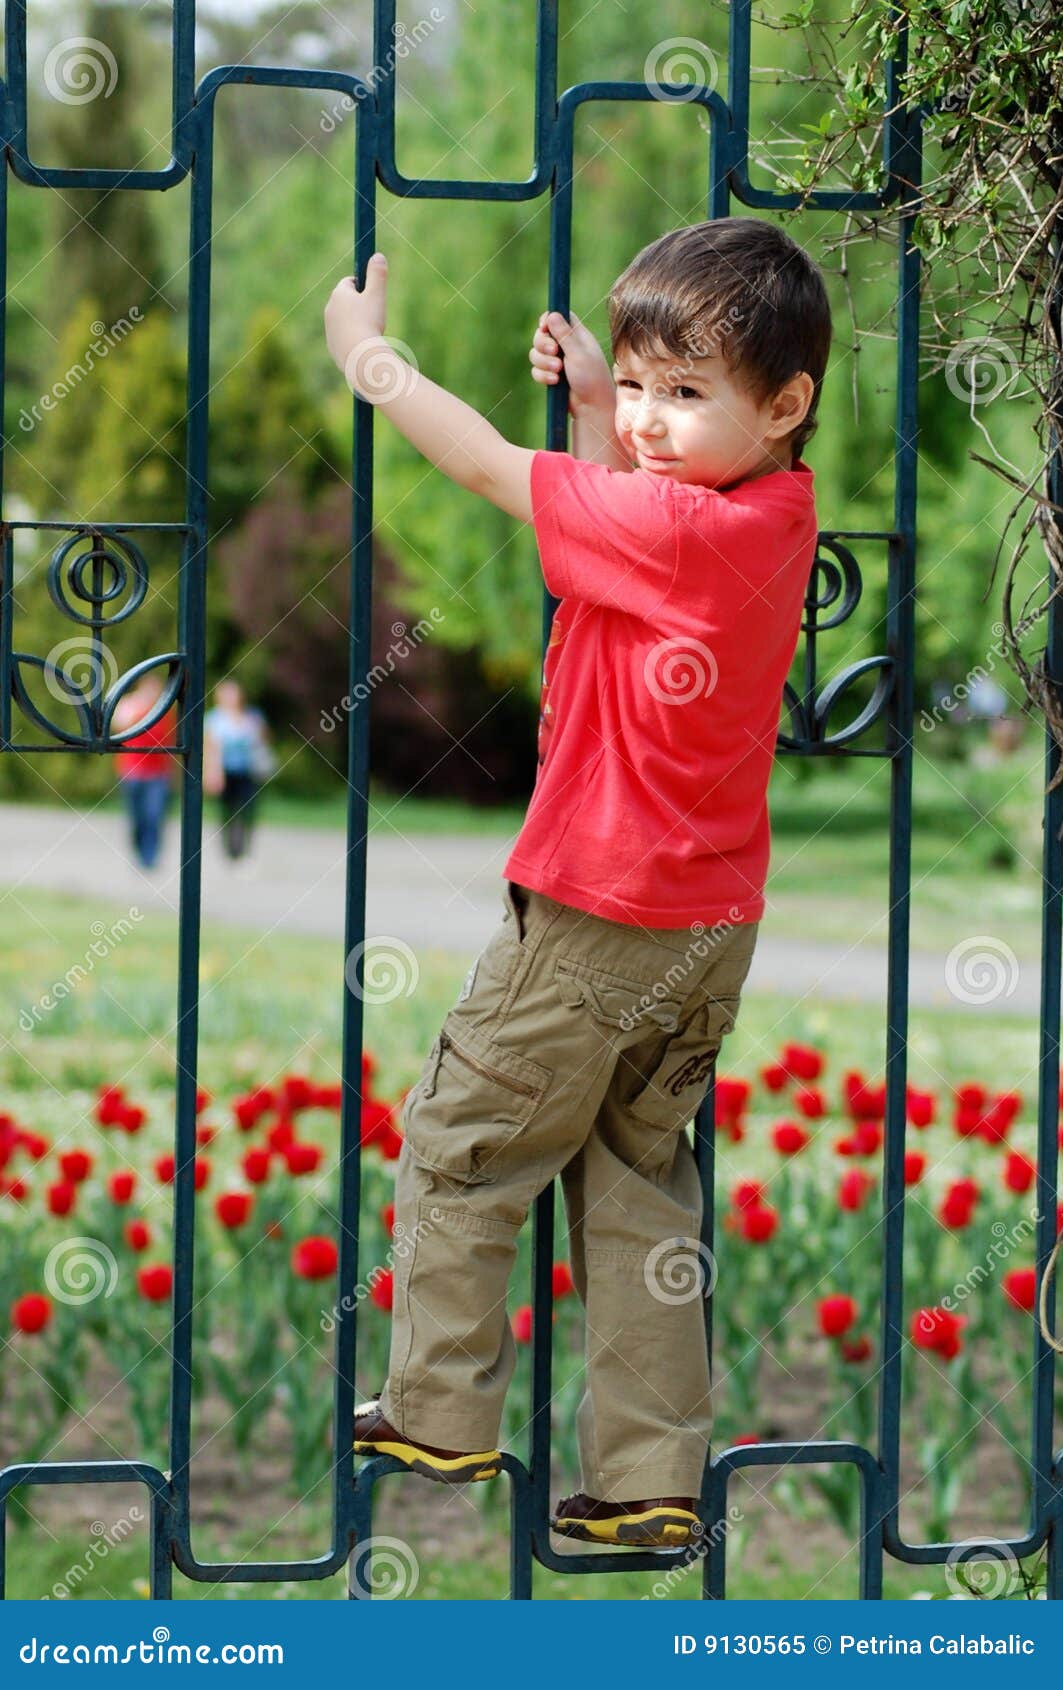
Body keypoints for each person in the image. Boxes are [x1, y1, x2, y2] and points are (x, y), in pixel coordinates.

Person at [324, 217, 831, 1548]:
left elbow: (490, 465)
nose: (652, 422)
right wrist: (606, 410)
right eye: (643, 384)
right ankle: (650, 1476)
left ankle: (438, 1408)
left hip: (597, 909)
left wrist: (370, 359)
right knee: (635, 1182)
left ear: (786, 405)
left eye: (685, 393)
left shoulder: (674, 525)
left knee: (464, 1142)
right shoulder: (771, 516)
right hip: (705, 923)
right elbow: (639, 531)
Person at [112, 673, 176, 870]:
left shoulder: (165, 711)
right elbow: (117, 725)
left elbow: (171, 742)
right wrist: (138, 707)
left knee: (155, 815)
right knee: (136, 817)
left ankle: (150, 857)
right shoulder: (130, 705)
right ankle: (139, 853)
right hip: (132, 772)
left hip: (158, 773)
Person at [203, 679, 272, 860]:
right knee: (226, 810)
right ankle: (230, 847)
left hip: (249, 771)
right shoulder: (214, 719)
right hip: (225, 772)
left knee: (248, 809)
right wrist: (211, 773)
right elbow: (210, 749)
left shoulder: (253, 716)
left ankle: (244, 845)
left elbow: (264, 740)